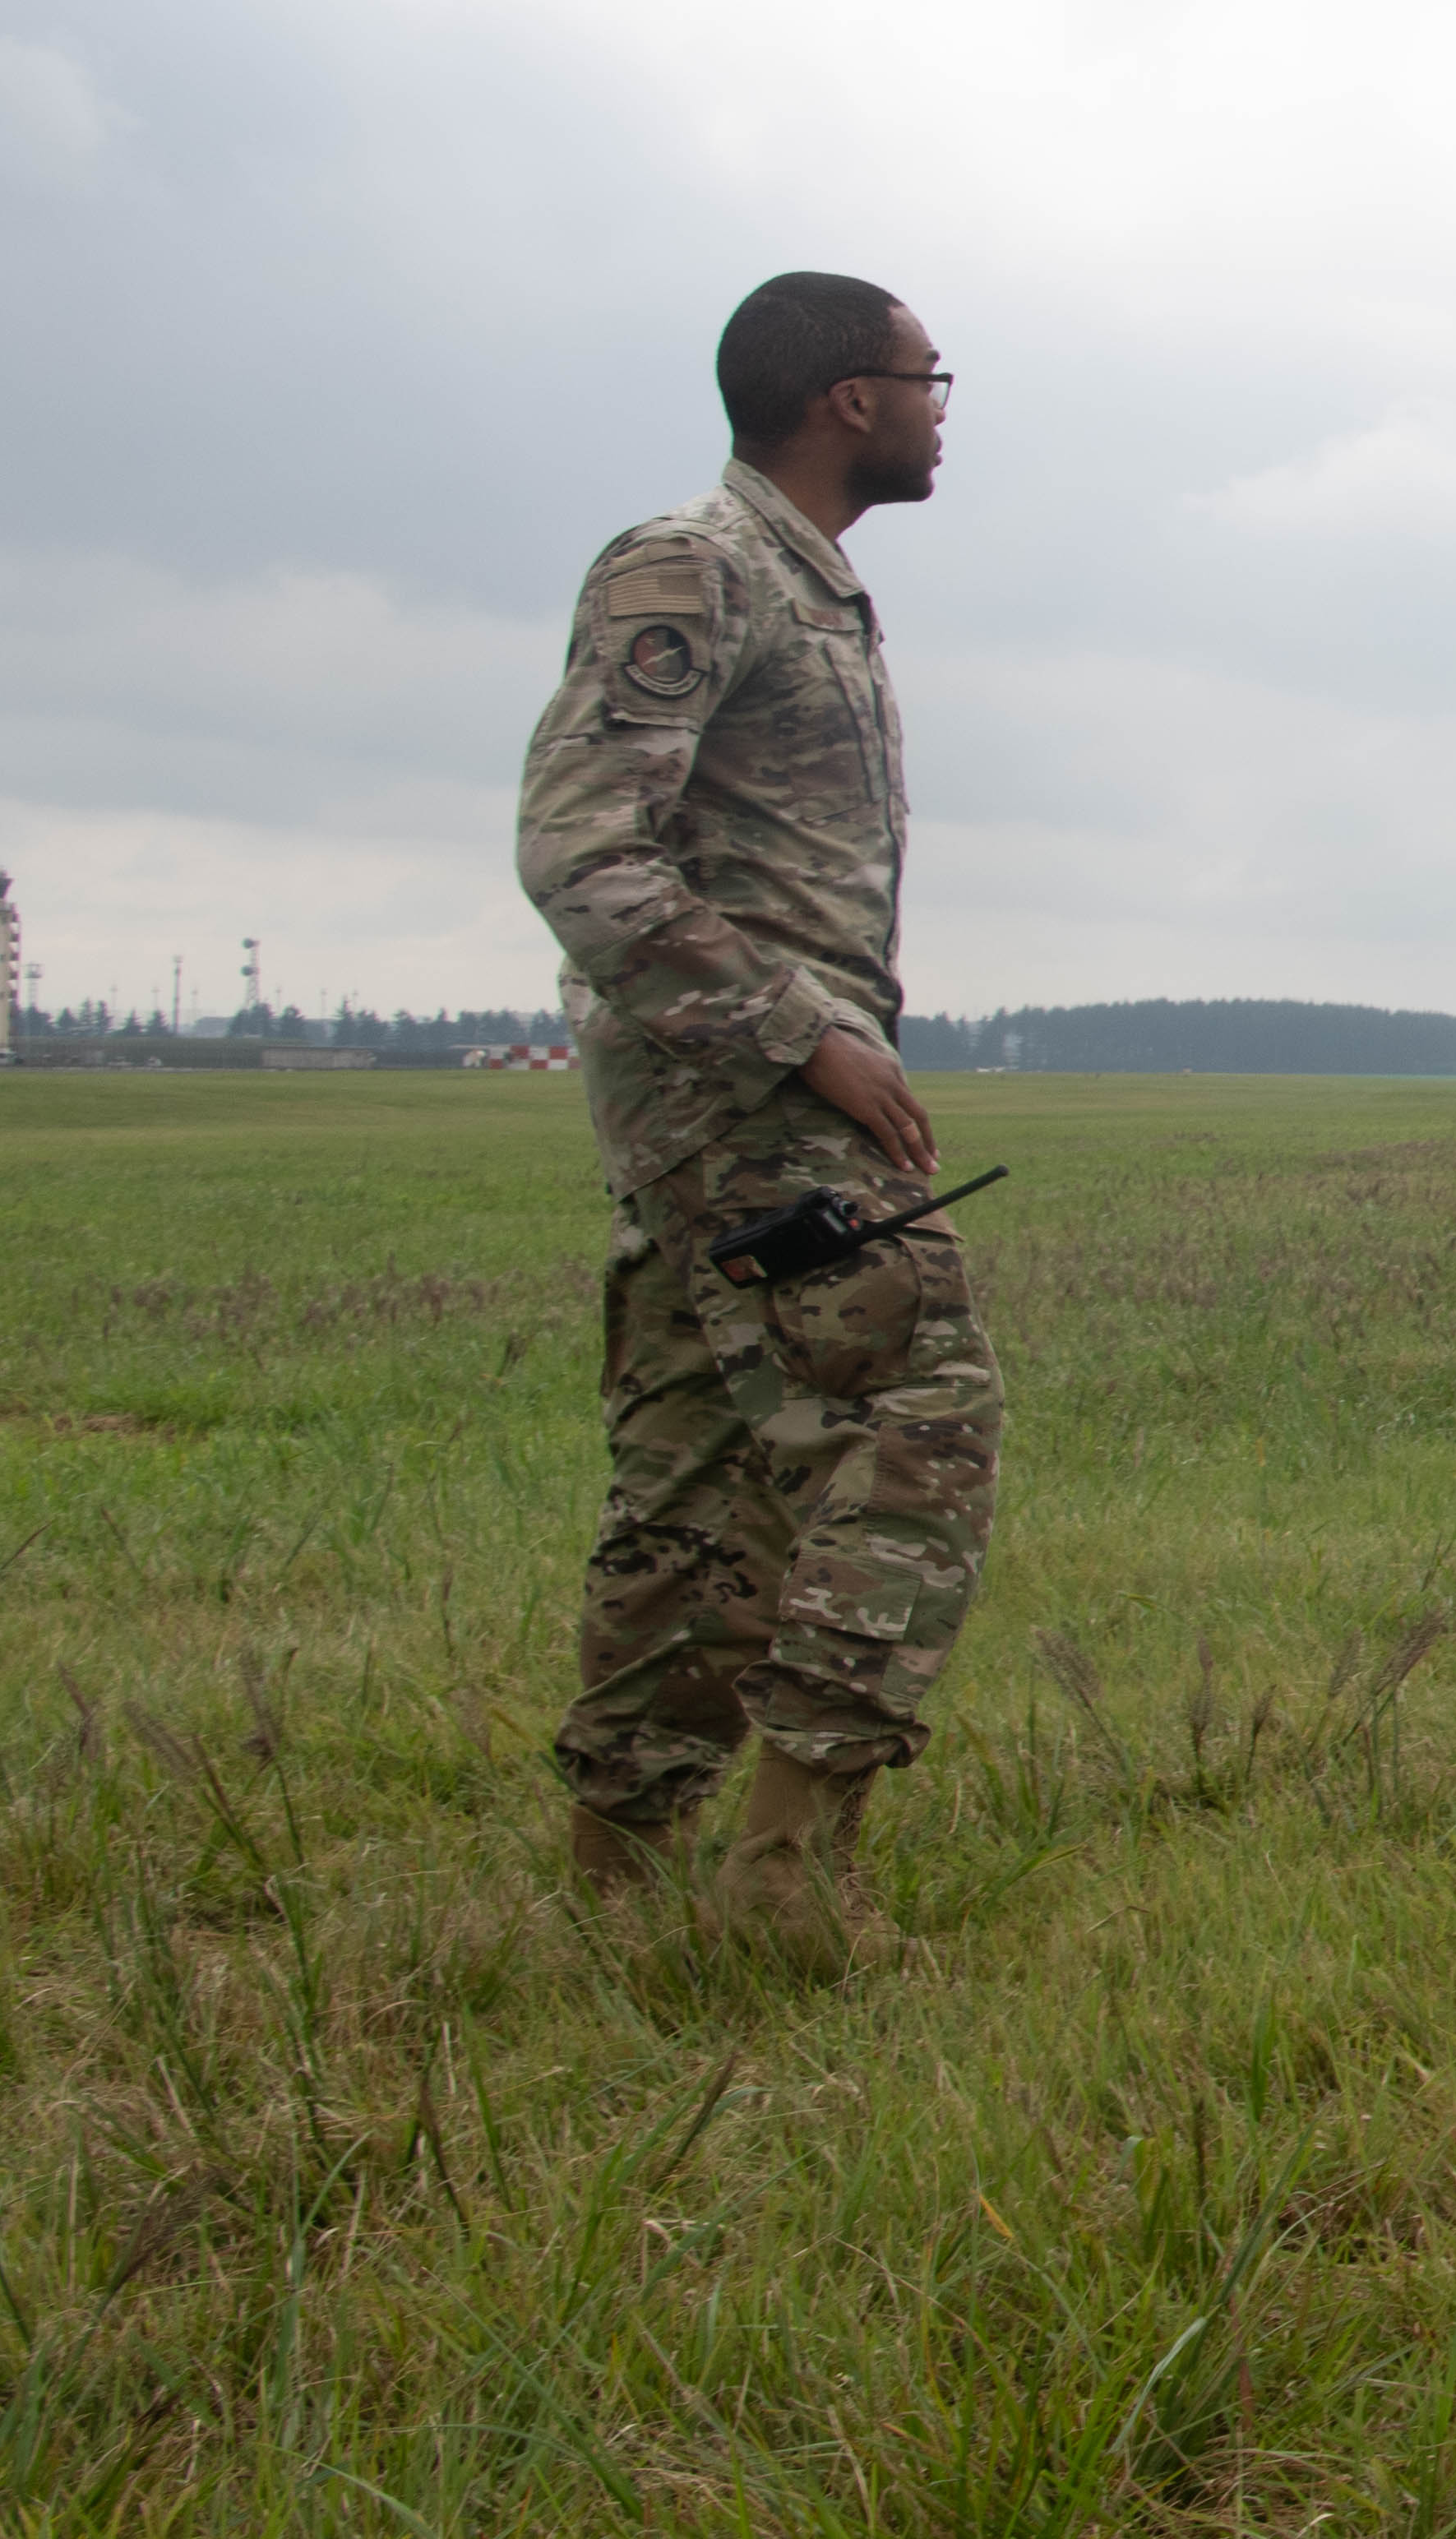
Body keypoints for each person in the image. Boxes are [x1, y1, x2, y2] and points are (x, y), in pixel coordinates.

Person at [514, 273, 997, 1963]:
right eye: (929, 376)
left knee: (698, 1486)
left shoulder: (815, 587)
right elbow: (583, 847)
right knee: (921, 1418)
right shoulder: (694, 566)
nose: (948, 404)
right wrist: (807, 1039)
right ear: (847, 399)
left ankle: (610, 1876)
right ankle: (790, 1874)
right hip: (748, 1102)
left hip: (719, 1101)